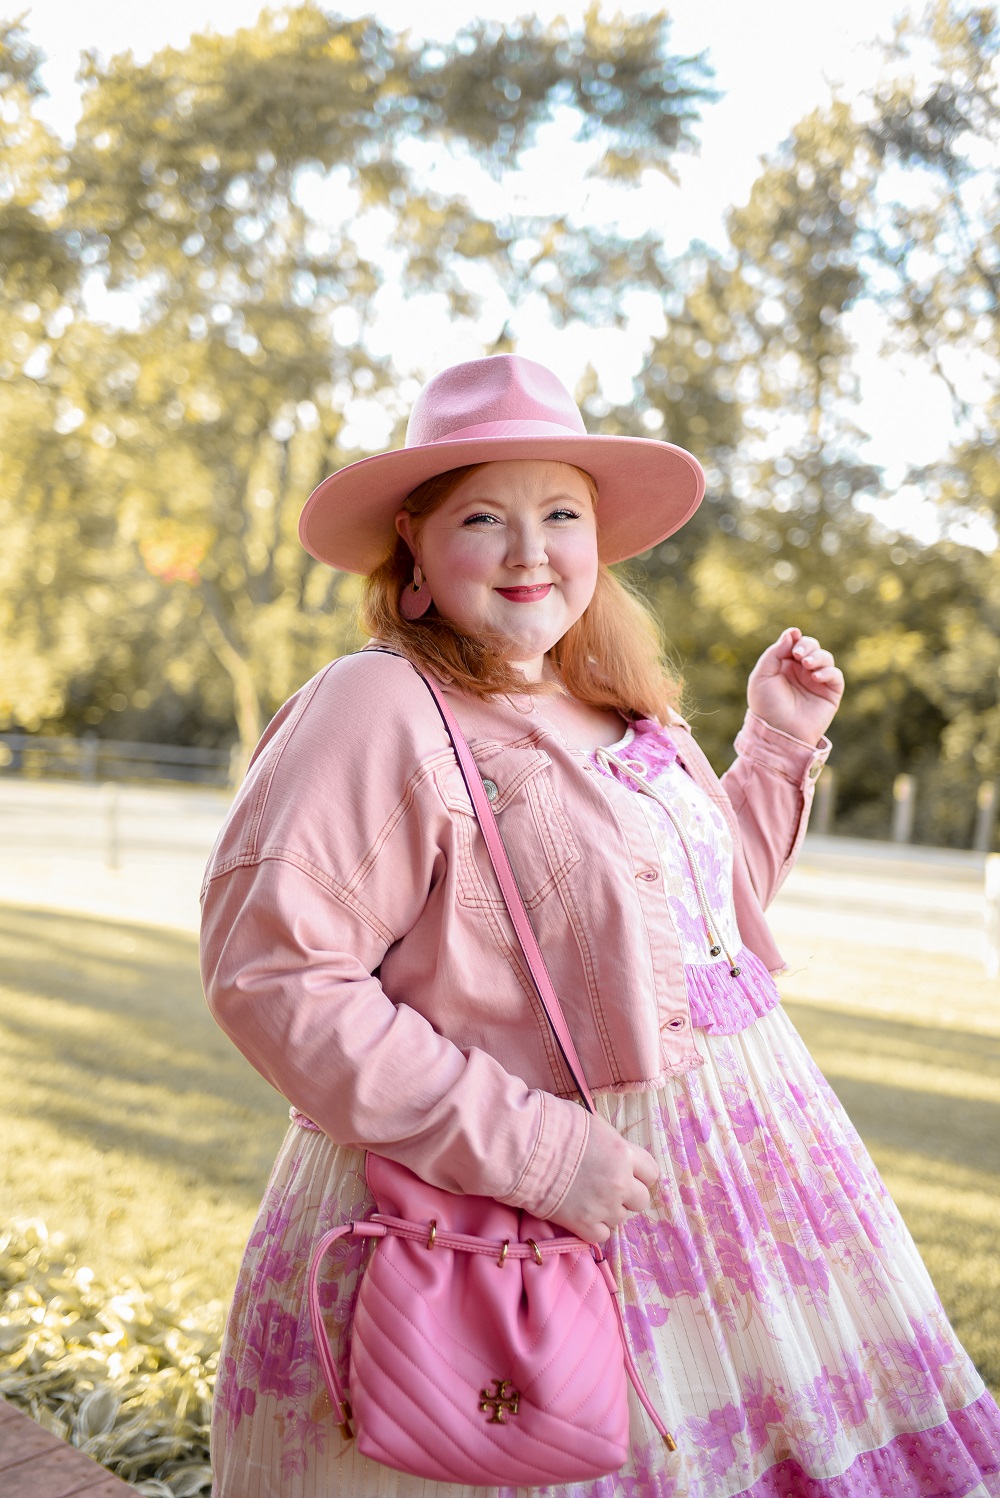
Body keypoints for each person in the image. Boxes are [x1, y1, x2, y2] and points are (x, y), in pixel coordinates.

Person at [200, 353, 1000, 1498]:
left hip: (744, 1192)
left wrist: (774, 745)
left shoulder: (614, 703)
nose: (531, 548)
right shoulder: (376, 704)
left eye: (560, 513)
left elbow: (696, 935)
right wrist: (545, 1155)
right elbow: (275, 979)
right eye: (485, 515)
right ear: (415, 556)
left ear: (596, 545)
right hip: (506, 1210)